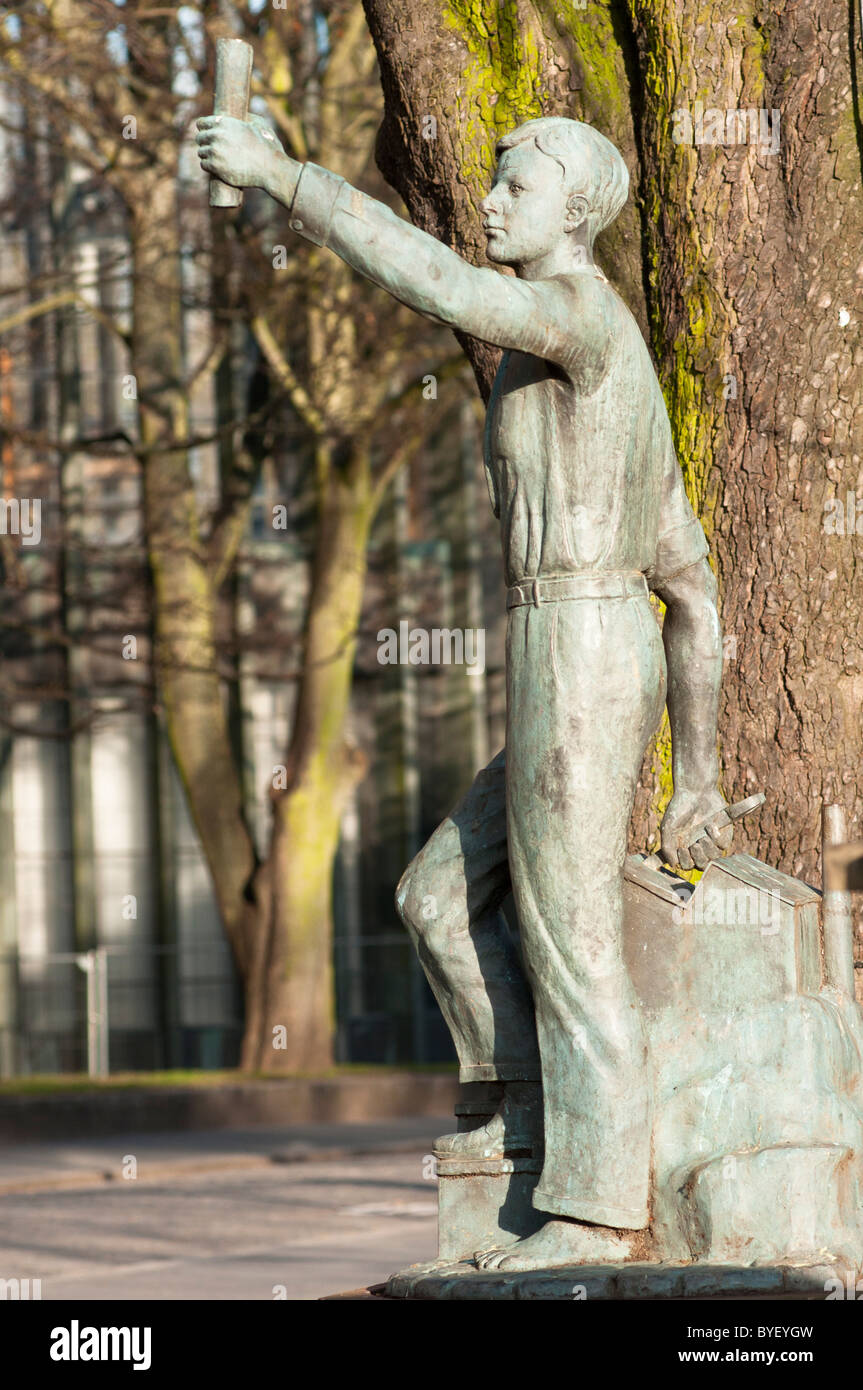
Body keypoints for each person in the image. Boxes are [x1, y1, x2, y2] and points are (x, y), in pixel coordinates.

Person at [197, 111, 734, 1271]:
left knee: (570, 934)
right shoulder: (584, 357)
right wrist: (694, 774)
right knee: (437, 896)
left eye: (514, 185)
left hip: (582, 641)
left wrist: (286, 175)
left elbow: (436, 278)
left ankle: (592, 1209)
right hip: (573, 641)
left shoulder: (580, 320)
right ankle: (527, 1117)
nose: (490, 200)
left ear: (574, 214)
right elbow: (691, 597)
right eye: (491, 181)